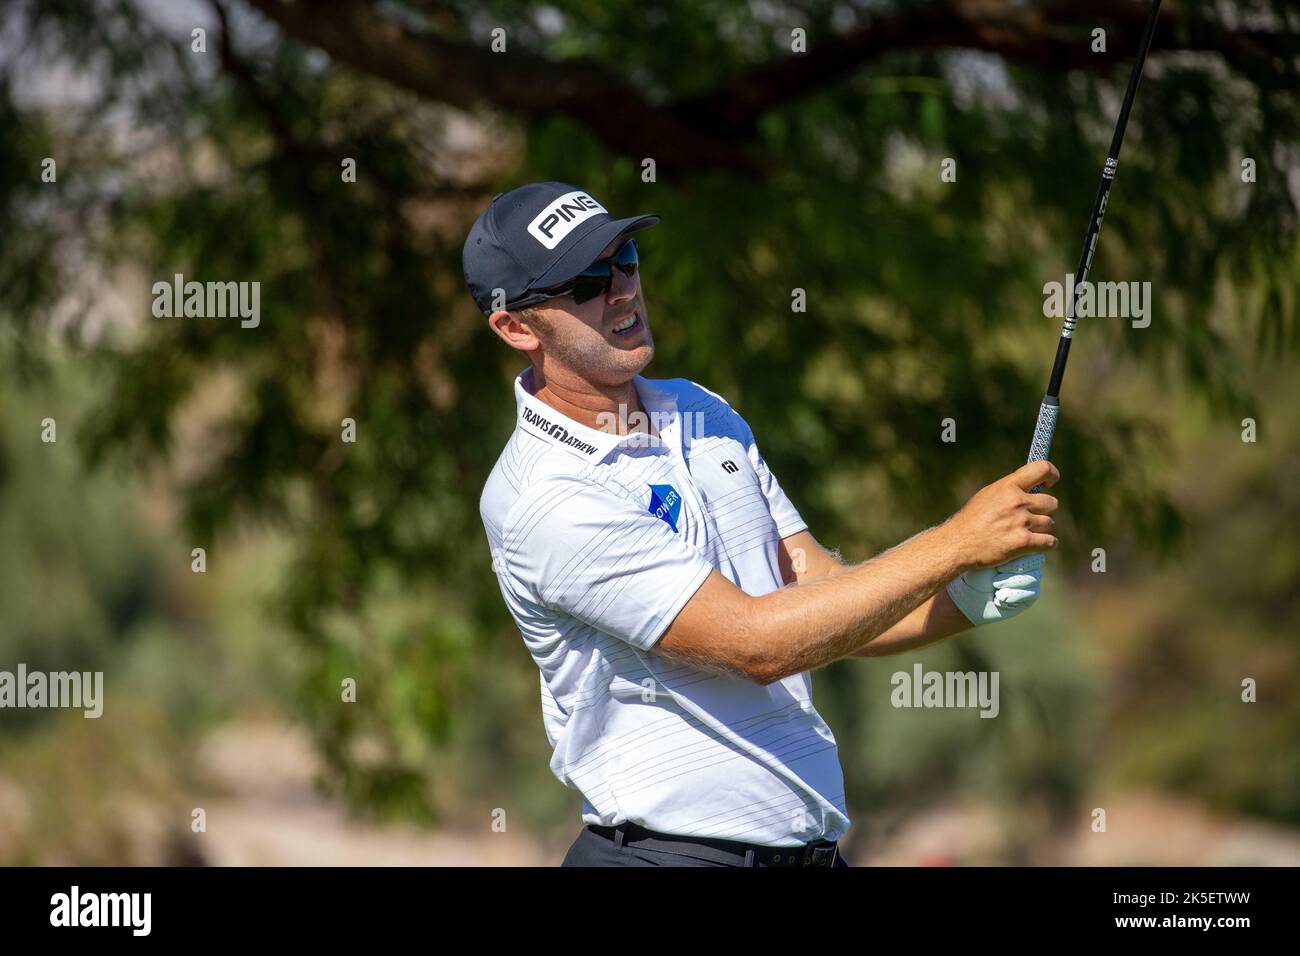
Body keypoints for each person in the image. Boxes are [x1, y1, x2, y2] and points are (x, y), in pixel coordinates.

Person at [464, 182, 1059, 867]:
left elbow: (818, 592)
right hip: (666, 857)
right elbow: (756, 644)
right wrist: (955, 542)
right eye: (587, 281)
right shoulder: (547, 497)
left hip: (808, 850)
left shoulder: (702, 410)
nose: (623, 288)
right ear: (516, 327)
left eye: (624, 257)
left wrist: (966, 596)